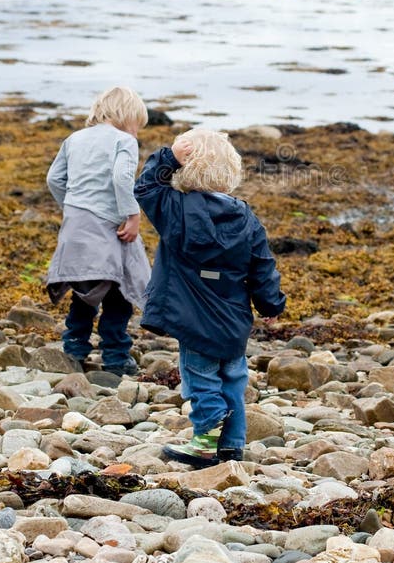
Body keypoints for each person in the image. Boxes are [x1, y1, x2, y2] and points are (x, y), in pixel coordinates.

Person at [134, 128, 286, 467]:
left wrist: (168, 158)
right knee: (232, 380)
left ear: (185, 169)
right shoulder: (246, 217)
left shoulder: (174, 209)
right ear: (230, 171)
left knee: (201, 379)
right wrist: (271, 303)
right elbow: (262, 265)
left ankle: (205, 441)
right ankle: (231, 446)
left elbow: (145, 187)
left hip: (193, 317)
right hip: (233, 319)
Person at [46, 86, 151, 377]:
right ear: (125, 116)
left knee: (84, 291)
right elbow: (121, 178)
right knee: (119, 292)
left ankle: (74, 350)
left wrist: (72, 207)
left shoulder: (74, 139)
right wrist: (132, 215)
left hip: (75, 227)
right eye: (137, 124)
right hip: (109, 227)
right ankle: (116, 356)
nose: (137, 132)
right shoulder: (124, 140)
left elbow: (54, 179)